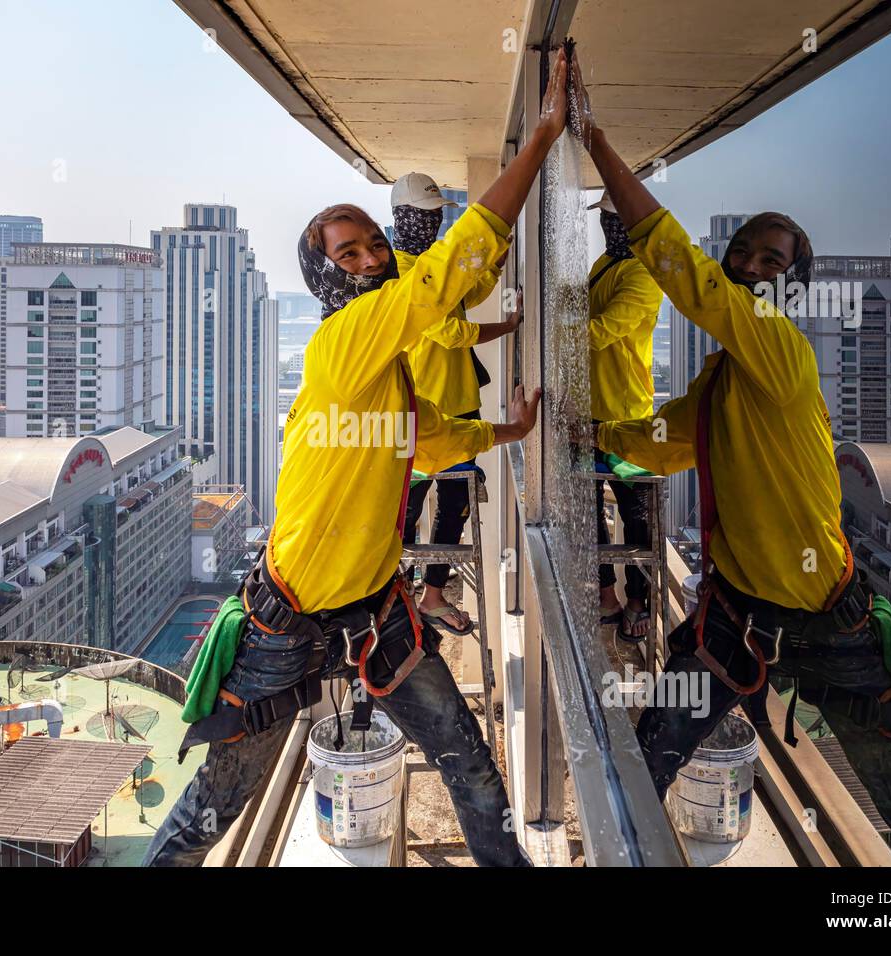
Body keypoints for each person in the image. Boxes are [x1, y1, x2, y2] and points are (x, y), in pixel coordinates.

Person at [142, 48, 574, 868]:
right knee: (215, 806)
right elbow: (448, 278)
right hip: (289, 618)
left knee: (472, 767)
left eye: (375, 244)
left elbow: (420, 439)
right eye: (350, 254)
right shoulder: (347, 339)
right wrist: (541, 138)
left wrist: (501, 437)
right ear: (324, 277)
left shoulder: (382, 362)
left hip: (374, 608)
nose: (373, 259)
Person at [567, 52, 891, 866]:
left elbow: (686, 279)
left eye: (771, 262)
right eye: (744, 252)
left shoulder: (779, 348)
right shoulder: (725, 378)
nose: (750, 266)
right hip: (735, 619)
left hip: (826, 624)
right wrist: (580, 439)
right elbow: (665, 442)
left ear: (790, 289)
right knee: (647, 756)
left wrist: (597, 143)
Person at [390, 171, 522, 635]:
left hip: (460, 399)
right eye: (426, 215)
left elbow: (467, 296)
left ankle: (432, 593)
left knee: (455, 500)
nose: (433, 223)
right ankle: (397, 592)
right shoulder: (399, 272)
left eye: (437, 215)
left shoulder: (432, 261)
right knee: (407, 503)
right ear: (403, 217)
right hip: (425, 405)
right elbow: (449, 332)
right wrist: (505, 328)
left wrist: (494, 266)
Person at [584, 189, 663, 640]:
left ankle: (638, 599)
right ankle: (605, 595)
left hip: (629, 416)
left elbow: (603, 330)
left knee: (636, 514)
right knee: (592, 509)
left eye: (613, 221)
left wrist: (547, 334)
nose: (607, 229)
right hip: (592, 412)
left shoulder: (642, 275)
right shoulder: (604, 266)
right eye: (606, 221)